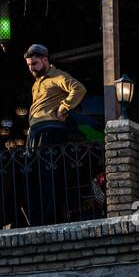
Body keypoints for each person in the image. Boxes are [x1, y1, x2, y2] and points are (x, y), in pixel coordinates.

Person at [23, 44, 86, 224]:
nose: (31, 68)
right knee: (35, 178)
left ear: (45, 60)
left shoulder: (57, 76)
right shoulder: (37, 82)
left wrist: (63, 107)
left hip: (49, 131)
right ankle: (38, 218)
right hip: (36, 133)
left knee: (48, 177)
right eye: (28, 65)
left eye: (34, 63)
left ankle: (51, 218)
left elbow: (79, 88)